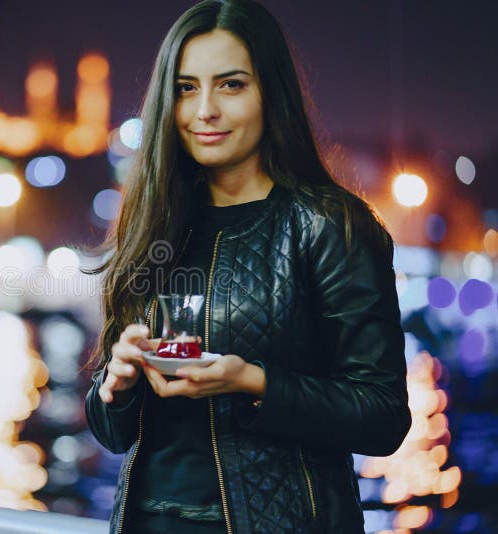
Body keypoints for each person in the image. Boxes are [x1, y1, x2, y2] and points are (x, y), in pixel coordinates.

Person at [83, 0, 412, 532]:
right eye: (186, 88)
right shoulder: (153, 225)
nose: (204, 110)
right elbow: (113, 433)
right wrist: (115, 387)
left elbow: (383, 416)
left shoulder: (327, 224)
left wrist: (253, 382)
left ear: (270, 94)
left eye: (230, 85)